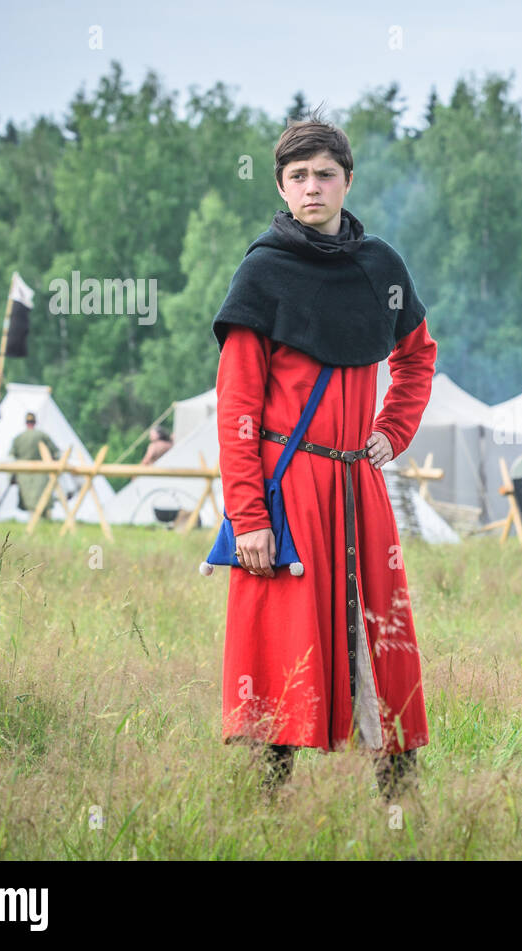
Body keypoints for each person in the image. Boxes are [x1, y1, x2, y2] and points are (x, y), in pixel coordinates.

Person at [212, 108, 436, 801]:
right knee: (280, 641)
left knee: (381, 630)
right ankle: (265, 799)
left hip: (358, 482)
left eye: (326, 174)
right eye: (298, 175)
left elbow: (417, 357)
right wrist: (250, 517)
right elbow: (237, 408)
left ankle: (399, 795)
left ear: (347, 182)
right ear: (281, 186)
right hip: (290, 490)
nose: (313, 187)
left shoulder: (382, 268)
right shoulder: (263, 274)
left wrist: (393, 431)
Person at [10, 411, 61, 517]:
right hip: (42, 472)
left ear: (26, 423)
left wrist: (12, 476)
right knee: (43, 499)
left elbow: (12, 457)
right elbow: (56, 453)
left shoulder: (19, 438)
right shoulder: (43, 435)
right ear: (35, 422)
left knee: (30, 501)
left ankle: (33, 521)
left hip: (24, 474)